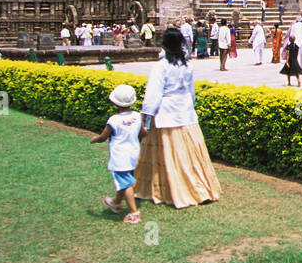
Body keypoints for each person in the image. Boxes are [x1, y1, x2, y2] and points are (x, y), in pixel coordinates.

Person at [133, 28, 221, 208]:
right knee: (189, 151)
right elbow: (191, 91)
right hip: (185, 110)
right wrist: (192, 106)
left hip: (167, 112)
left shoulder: (161, 66)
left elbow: (153, 95)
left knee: (169, 153)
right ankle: (198, 186)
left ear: (164, 45)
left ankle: (178, 188)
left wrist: (146, 118)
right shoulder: (187, 65)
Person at [91, 84, 143, 225]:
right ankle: (116, 202)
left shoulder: (113, 120)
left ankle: (134, 212)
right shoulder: (138, 116)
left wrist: (95, 139)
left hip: (120, 156)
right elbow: (143, 132)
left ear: (115, 102)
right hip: (133, 153)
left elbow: (103, 137)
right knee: (125, 179)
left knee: (125, 183)